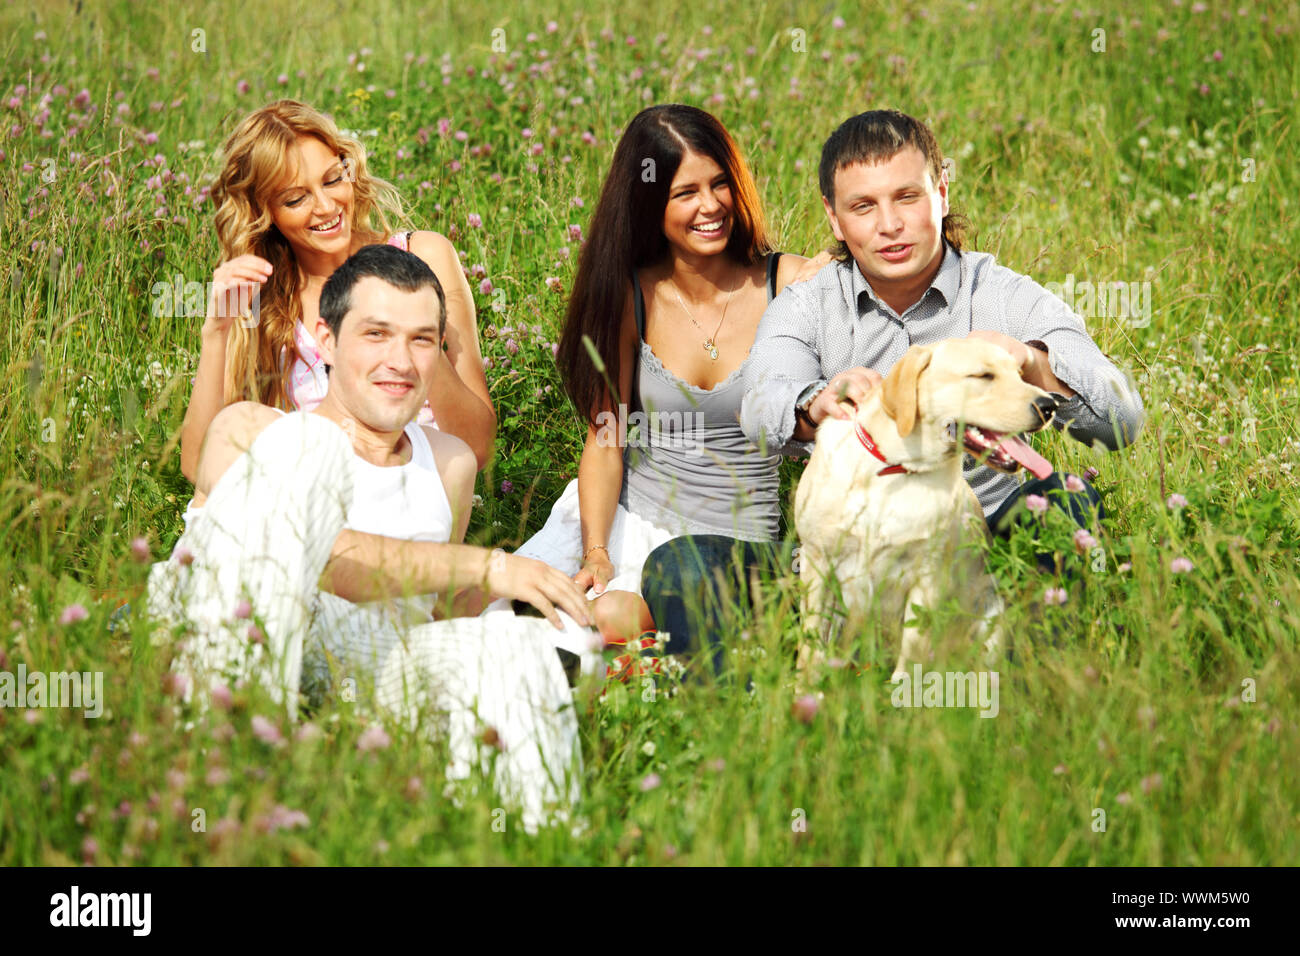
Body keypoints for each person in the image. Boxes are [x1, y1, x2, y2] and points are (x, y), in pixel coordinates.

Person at [149, 244, 592, 831]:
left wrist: (546, 618)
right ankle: (227, 780)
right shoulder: (253, 430)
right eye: (376, 334)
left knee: (515, 648)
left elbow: (445, 612)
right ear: (327, 341)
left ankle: (536, 839)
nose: (401, 361)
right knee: (309, 450)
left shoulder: (449, 463)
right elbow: (328, 563)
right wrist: (491, 566)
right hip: (247, 643)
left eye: (421, 339)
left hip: (376, 666)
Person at [741, 109, 1144, 536]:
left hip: (989, 534)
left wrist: (1032, 362)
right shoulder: (807, 303)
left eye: (908, 197)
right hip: (861, 543)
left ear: (942, 194)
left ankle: (1027, 601)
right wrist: (815, 403)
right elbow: (757, 403)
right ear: (834, 218)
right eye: (863, 206)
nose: (890, 225)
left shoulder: (1003, 294)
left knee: (1068, 501)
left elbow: (1122, 421)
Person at [513, 104, 809, 675]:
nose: (711, 206)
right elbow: (606, 438)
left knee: (628, 630)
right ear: (650, 205)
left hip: (735, 543)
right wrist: (597, 549)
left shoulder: (790, 283)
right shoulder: (632, 296)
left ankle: (660, 671)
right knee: (584, 617)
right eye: (685, 193)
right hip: (635, 524)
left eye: (721, 184)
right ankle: (637, 673)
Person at [179, 99, 495, 485]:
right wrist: (216, 333)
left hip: (422, 488)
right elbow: (199, 468)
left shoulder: (424, 256)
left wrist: (416, 331)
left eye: (332, 179)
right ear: (266, 213)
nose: (327, 206)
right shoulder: (263, 297)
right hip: (318, 497)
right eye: (296, 199)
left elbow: (475, 448)